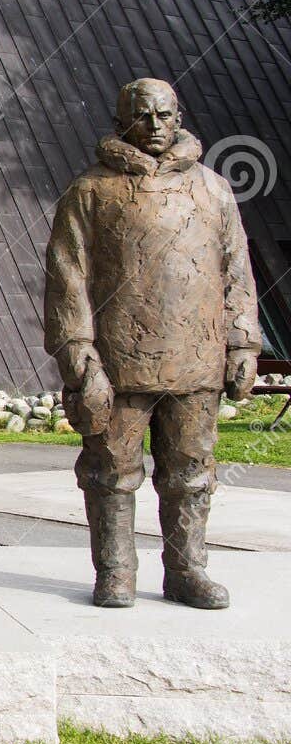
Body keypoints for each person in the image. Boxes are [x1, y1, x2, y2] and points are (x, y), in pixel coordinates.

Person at [45, 78, 260, 609]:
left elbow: (237, 269)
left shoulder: (212, 189)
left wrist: (242, 343)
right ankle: (116, 571)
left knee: (191, 472)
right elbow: (66, 276)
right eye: (145, 116)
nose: (157, 126)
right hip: (119, 363)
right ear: (122, 122)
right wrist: (79, 355)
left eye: (166, 116)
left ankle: (187, 570)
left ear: (179, 117)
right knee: (110, 472)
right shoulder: (90, 191)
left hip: (196, 358)